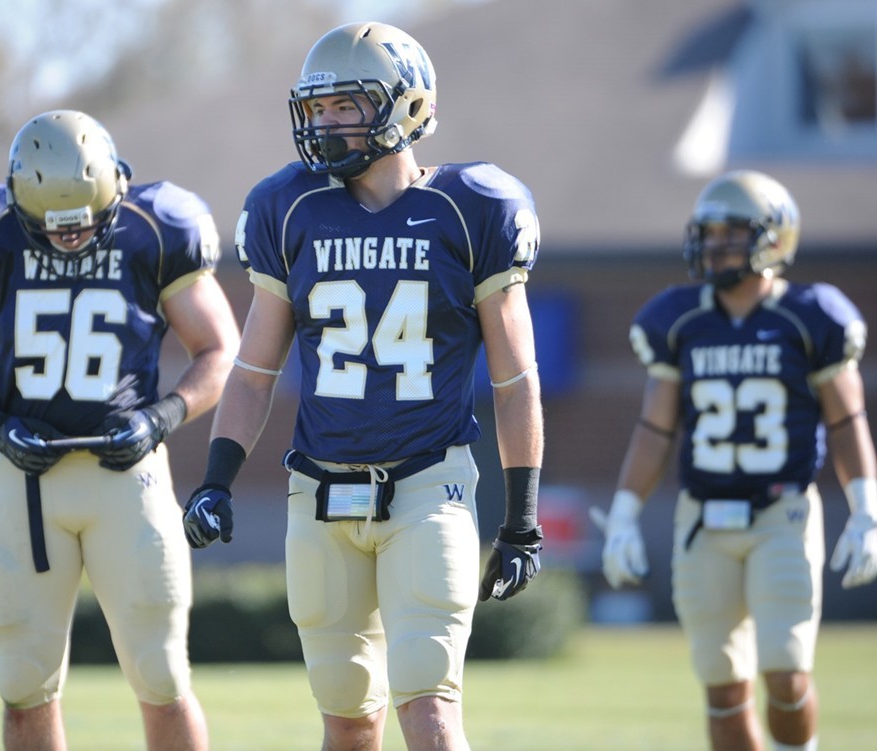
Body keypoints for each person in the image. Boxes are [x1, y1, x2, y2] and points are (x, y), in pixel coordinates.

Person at [180, 21, 544, 751]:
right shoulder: (294, 207)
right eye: (315, 109)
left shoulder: (469, 207)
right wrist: (216, 476)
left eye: (343, 106)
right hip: (319, 493)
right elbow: (254, 372)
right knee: (347, 721)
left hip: (426, 485)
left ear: (405, 106)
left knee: (430, 710)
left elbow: (515, 381)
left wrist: (522, 519)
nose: (323, 125)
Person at [0, 109, 240, 751]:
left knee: (162, 673)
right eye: (52, 227)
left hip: (131, 482)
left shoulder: (155, 228)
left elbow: (219, 351)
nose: (70, 239)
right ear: (17, 204)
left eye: (84, 224)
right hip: (26, 487)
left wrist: (160, 418)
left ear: (117, 186)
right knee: (24, 682)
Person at [592, 169, 877, 751]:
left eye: (732, 231)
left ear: (774, 237)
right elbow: (655, 426)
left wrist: (865, 506)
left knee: (787, 672)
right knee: (722, 686)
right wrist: (623, 512)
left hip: (783, 514)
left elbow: (847, 422)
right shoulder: (680, 319)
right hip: (703, 519)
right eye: (709, 232)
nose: (716, 244)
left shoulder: (811, 316)